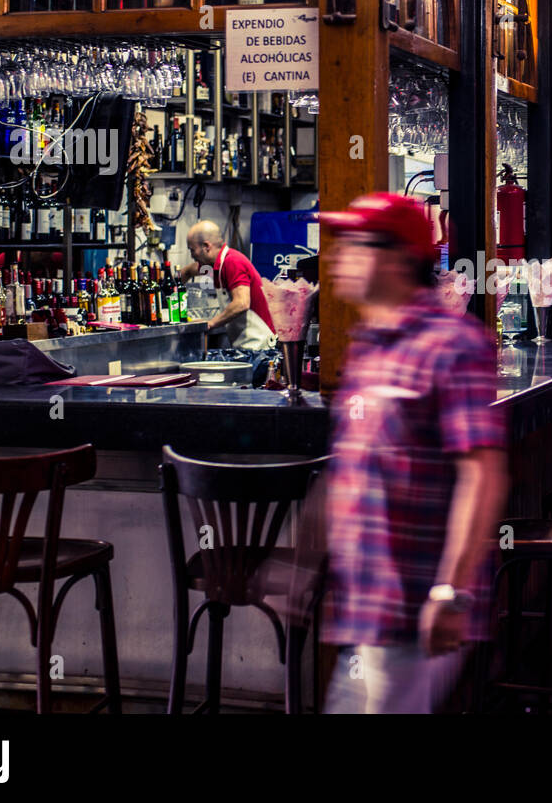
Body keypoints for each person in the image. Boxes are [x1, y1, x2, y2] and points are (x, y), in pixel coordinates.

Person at [317, 193, 509, 713]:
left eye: (355, 245)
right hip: (369, 602)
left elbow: (483, 475)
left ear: (400, 258)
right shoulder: (370, 342)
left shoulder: (453, 344)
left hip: (415, 596)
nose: (335, 258)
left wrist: (450, 591)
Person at [178, 220, 275, 350]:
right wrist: (168, 290)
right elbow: (189, 271)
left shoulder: (232, 262)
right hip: (245, 343)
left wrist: (211, 323)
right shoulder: (214, 266)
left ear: (206, 246)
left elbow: (241, 303)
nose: (192, 255)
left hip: (260, 345)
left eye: (192, 250)